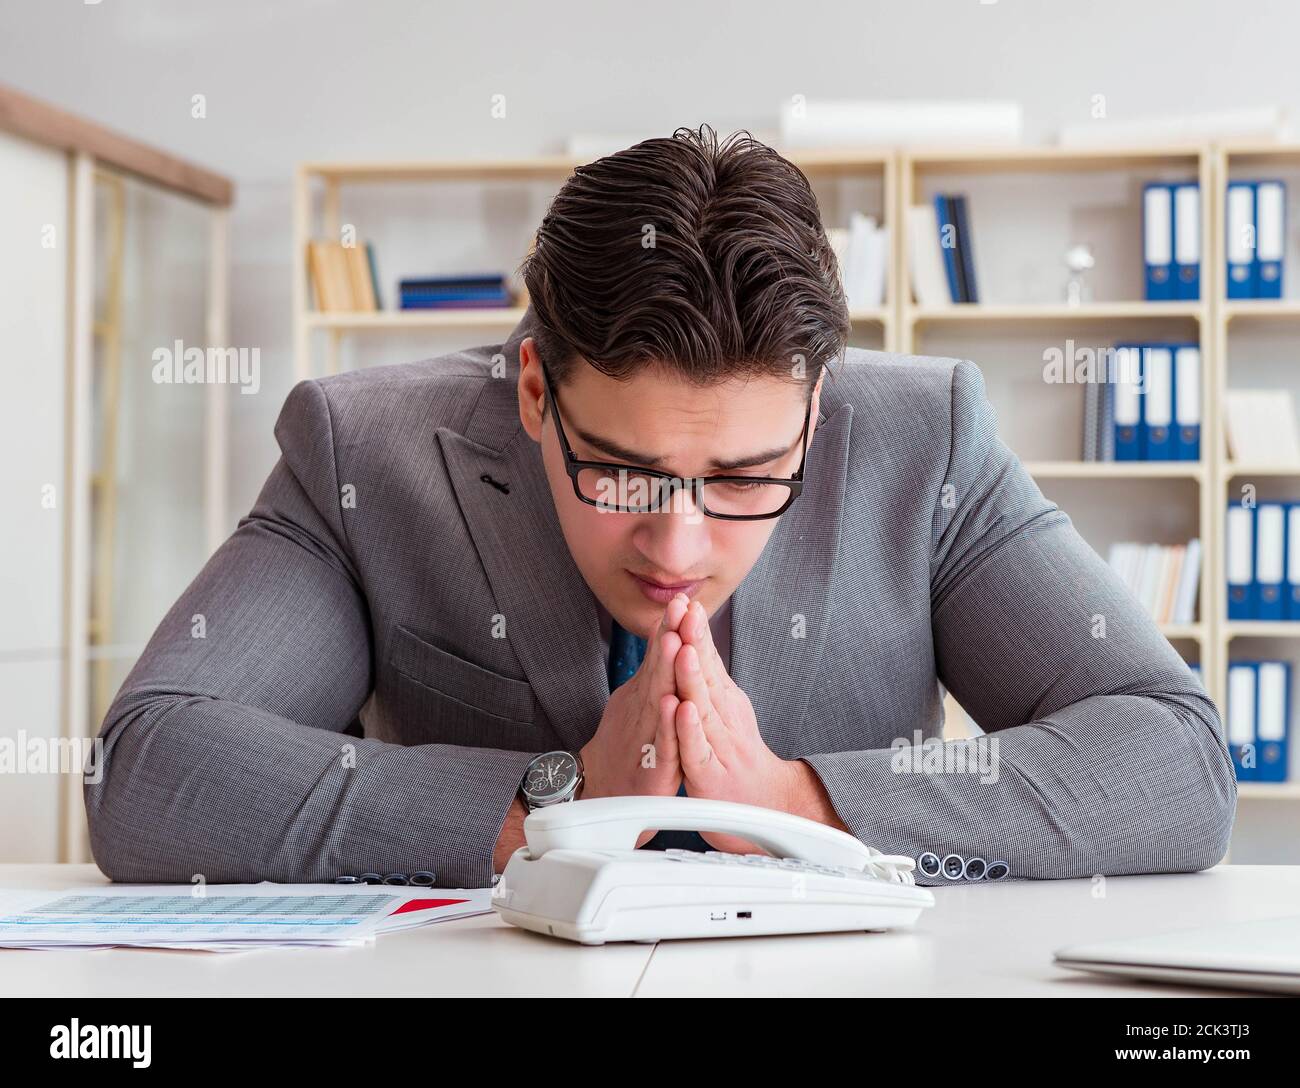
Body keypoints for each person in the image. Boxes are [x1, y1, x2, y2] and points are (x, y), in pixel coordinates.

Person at [85, 125, 1235, 888]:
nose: (678, 544)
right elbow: (146, 764)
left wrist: (800, 801)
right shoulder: (364, 451)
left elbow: (1176, 759)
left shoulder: (922, 436)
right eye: (623, 472)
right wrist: (551, 805)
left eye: (744, 478)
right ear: (535, 387)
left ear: (815, 409)